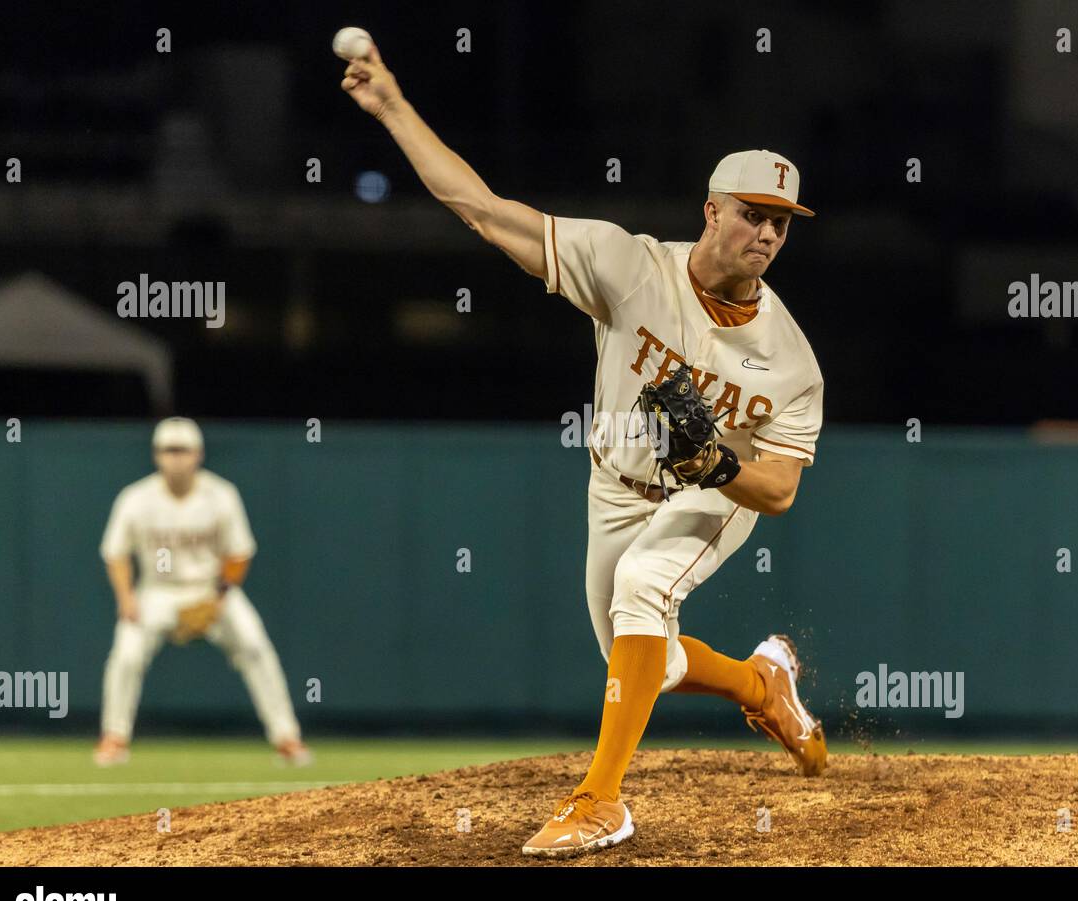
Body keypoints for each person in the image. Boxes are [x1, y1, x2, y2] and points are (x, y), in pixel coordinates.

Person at [342, 41, 826, 857]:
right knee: (650, 663)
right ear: (710, 210)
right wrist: (392, 106)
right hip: (614, 486)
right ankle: (760, 682)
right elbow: (485, 210)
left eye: (779, 222)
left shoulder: (792, 359)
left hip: (713, 497)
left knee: (643, 588)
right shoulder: (630, 267)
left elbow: (778, 490)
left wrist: (724, 468)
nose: (767, 232)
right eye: (752, 212)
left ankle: (600, 800)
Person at [94, 417, 310, 768]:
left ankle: (287, 738)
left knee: (255, 646)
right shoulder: (136, 498)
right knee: (127, 653)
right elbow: (115, 552)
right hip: (157, 590)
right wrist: (126, 599)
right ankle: (114, 738)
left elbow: (239, 553)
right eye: (168, 450)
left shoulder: (221, 495)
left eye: (183, 450)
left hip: (212, 589)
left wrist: (219, 598)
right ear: (156, 455)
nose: (176, 458)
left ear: (199, 454)